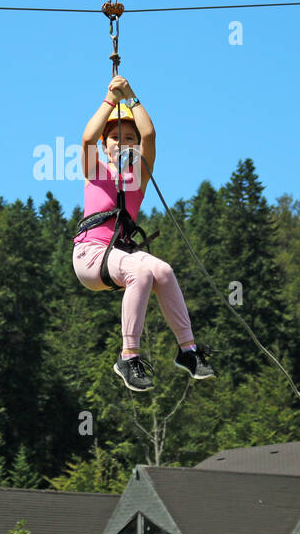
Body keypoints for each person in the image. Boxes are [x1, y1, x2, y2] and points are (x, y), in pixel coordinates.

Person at [71, 75, 214, 392]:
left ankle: (188, 351)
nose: (123, 143)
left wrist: (132, 97)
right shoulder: (95, 168)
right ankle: (128, 356)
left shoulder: (138, 175)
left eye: (128, 138)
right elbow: (86, 139)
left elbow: (149, 134)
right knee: (140, 271)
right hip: (90, 256)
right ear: (105, 146)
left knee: (162, 270)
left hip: (119, 254)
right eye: (115, 138)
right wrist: (110, 100)